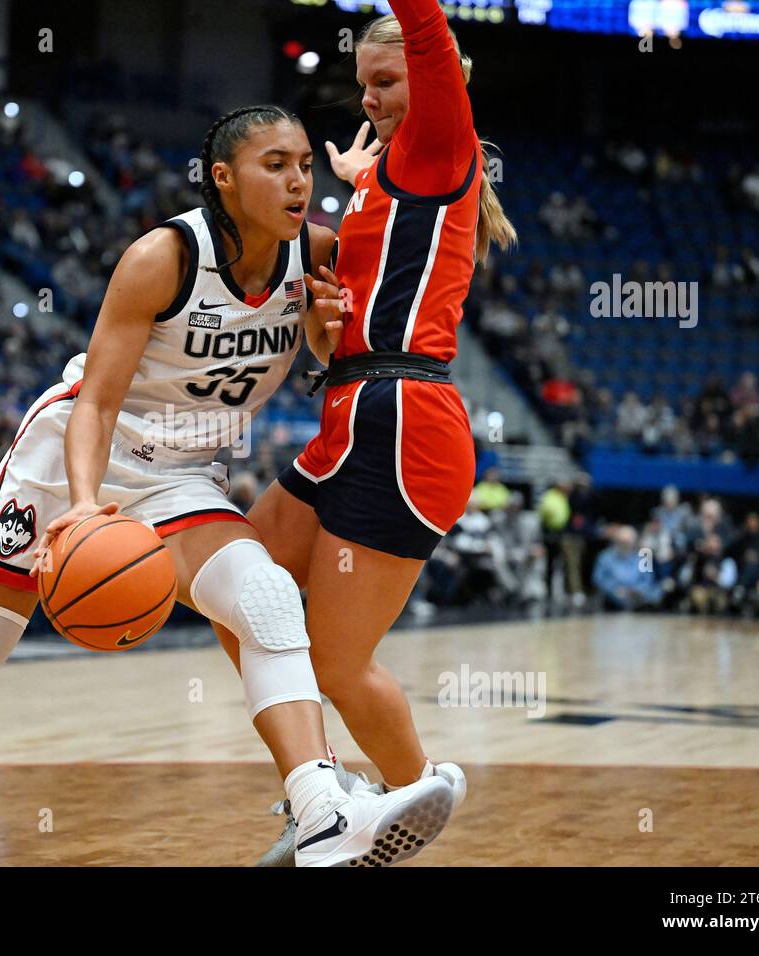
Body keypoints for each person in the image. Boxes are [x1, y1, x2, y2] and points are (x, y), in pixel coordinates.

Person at [0, 104, 455, 867]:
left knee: (267, 599)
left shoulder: (317, 255)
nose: (298, 180)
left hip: (182, 474)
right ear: (224, 178)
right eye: (275, 165)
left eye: (305, 163)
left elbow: (339, 331)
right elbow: (97, 402)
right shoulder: (162, 258)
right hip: (74, 458)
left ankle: (320, 813)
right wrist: (81, 507)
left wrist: (319, 335)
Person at [208, 0, 516, 864]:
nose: (370, 100)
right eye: (364, 86)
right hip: (353, 409)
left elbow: (422, 28)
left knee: (339, 665)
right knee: (234, 591)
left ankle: (419, 791)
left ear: (436, 82)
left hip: (406, 426)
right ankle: (329, 791)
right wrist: (324, 306)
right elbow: (353, 297)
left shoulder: (438, 144)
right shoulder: (385, 177)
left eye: (386, 83)